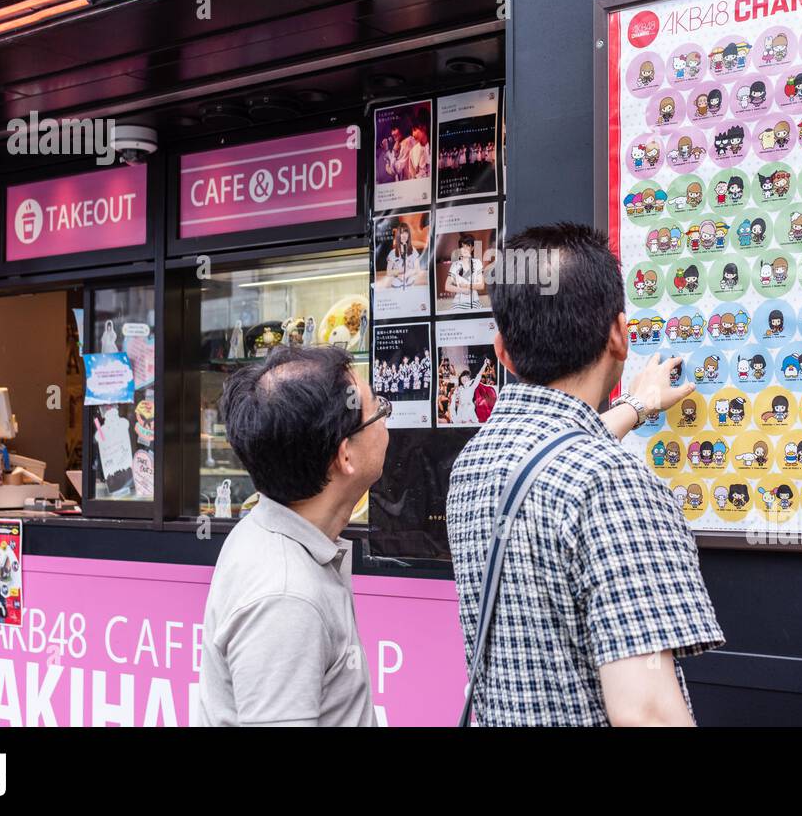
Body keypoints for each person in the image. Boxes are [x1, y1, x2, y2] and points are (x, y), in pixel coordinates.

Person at [446, 222, 724, 726]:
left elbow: (558, 450)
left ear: (502, 351)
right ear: (620, 334)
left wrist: (637, 407)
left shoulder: (474, 461)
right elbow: (647, 714)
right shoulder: (615, 484)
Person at [195, 344, 391, 726]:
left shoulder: (269, 529)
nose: (386, 419)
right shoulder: (285, 596)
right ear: (344, 455)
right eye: (378, 410)